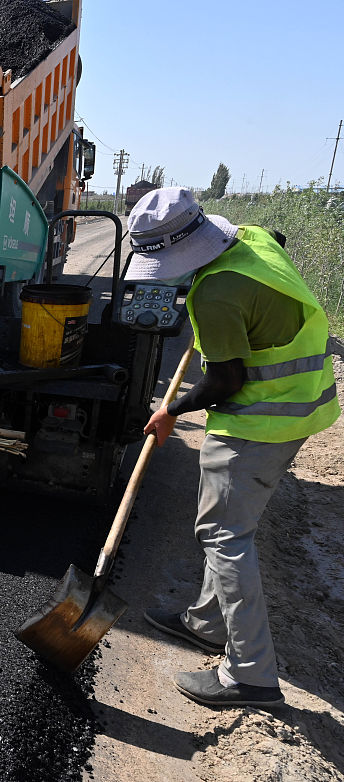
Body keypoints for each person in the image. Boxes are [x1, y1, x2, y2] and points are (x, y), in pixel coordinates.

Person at [129, 188, 339, 708]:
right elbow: (280, 239)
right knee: (230, 525)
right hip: (301, 405)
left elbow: (223, 383)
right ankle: (205, 622)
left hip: (259, 421)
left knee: (224, 535)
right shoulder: (254, 241)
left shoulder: (215, 295)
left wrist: (170, 411)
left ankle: (250, 676)